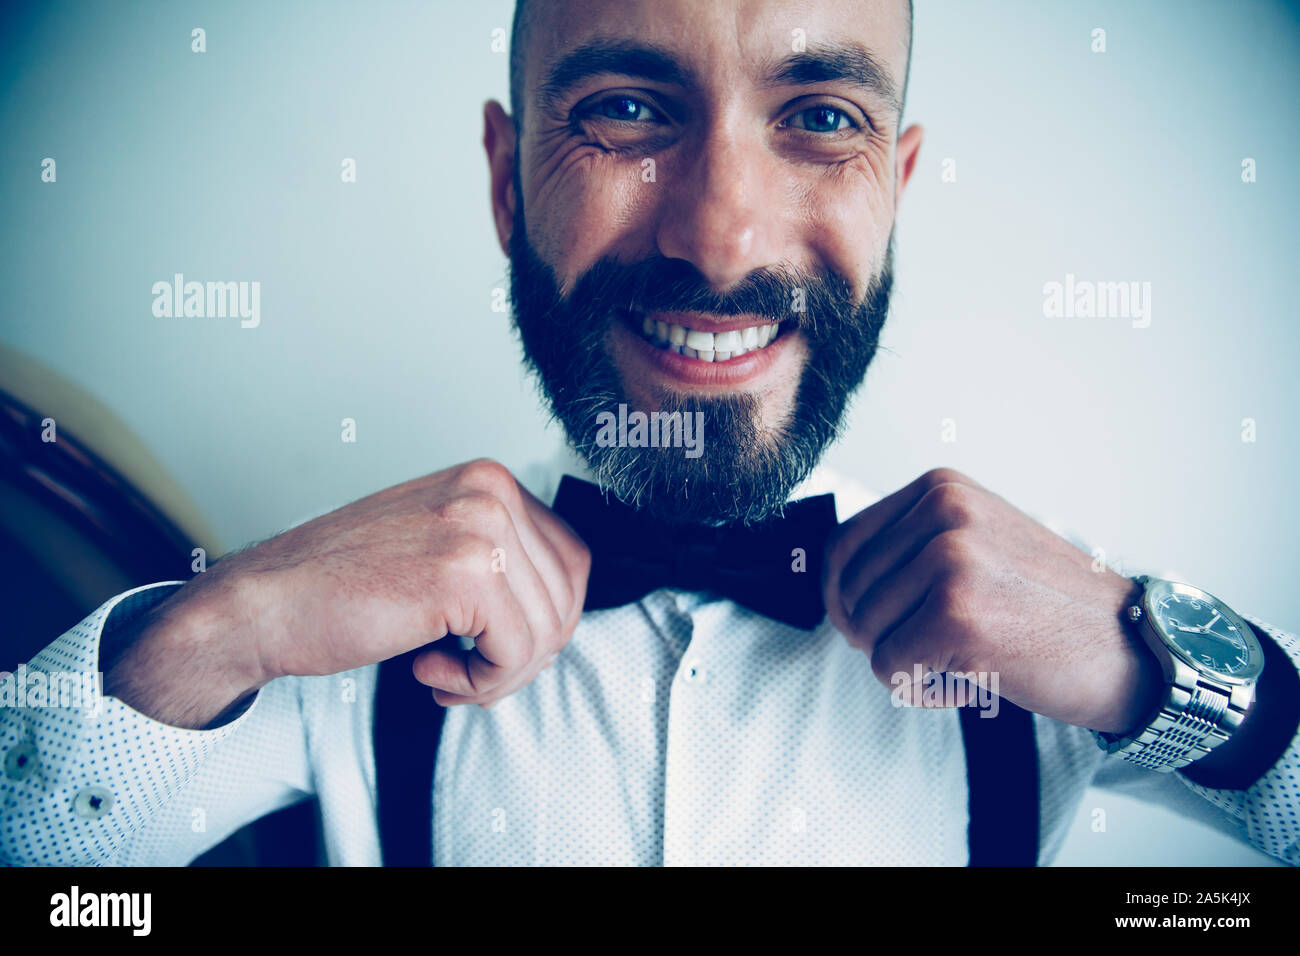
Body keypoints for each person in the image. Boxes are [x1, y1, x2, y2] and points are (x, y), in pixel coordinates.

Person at [2, 0, 1297, 866]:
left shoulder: (1055, 653)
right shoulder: (346, 638)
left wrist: (1160, 659)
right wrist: (222, 623)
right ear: (507, 184)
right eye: (627, 109)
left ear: (894, 192)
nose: (719, 237)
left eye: (822, 118)